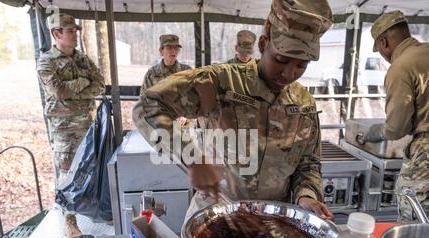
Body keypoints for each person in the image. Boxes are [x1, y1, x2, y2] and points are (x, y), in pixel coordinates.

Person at [133, 0, 334, 221]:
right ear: (263, 44)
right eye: (281, 60)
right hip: (216, 215)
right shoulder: (221, 82)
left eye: (301, 65)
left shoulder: (304, 103)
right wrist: (193, 158)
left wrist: (306, 196)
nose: (289, 74)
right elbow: (148, 106)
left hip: (274, 223)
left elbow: (308, 163)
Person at [37, 13, 105, 236]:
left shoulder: (82, 59)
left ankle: (88, 209)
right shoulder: (47, 61)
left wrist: (76, 87)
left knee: (88, 169)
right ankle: (69, 220)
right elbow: (59, 91)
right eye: (70, 31)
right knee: (66, 173)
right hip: (65, 130)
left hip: (86, 124)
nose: (75, 34)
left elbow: (100, 84)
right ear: (57, 34)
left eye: (75, 30)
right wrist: (84, 82)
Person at [357, 11, 429, 221]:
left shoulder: (401, 67)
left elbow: (397, 127)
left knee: (414, 217)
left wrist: (377, 132)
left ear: (384, 42)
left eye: (378, 48)